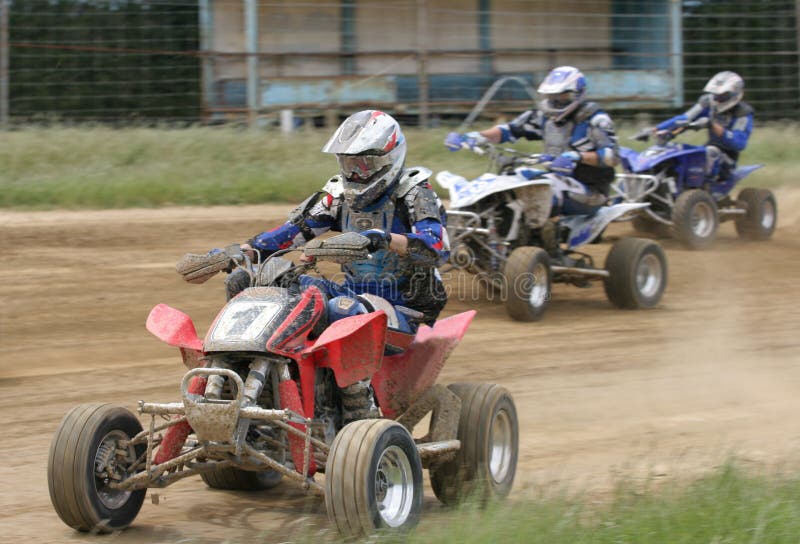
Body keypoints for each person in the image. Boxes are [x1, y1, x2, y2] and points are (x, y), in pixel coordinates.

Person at [224, 110, 450, 421]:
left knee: (343, 310)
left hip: (407, 306)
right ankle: (252, 383)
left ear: (389, 158)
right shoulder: (338, 195)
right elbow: (293, 232)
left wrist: (381, 239)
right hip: (355, 294)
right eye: (348, 163)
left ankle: (360, 413)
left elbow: (436, 247)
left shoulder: (415, 193)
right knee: (272, 289)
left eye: (364, 163)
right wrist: (245, 251)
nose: (355, 173)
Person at [445, 66, 619, 216]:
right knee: (512, 179)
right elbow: (510, 130)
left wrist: (576, 157)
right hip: (557, 179)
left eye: (562, 97)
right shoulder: (543, 117)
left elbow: (612, 156)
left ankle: (551, 244)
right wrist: (475, 137)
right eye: (552, 97)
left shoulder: (596, 120)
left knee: (541, 192)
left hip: (590, 190)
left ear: (577, 94)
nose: (556, 101)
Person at [655, 71, 752, 181]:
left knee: (710, 153)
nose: (717, 99)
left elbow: (739, 142)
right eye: (716, 94)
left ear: (735, 94)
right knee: (675, 150)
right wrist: (657, 129)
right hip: (708, 147)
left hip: (727, 158)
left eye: (722, 95)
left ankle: (703, 189)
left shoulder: (743, 113)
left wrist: (712, 125)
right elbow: (685, 118)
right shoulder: (708, 103)